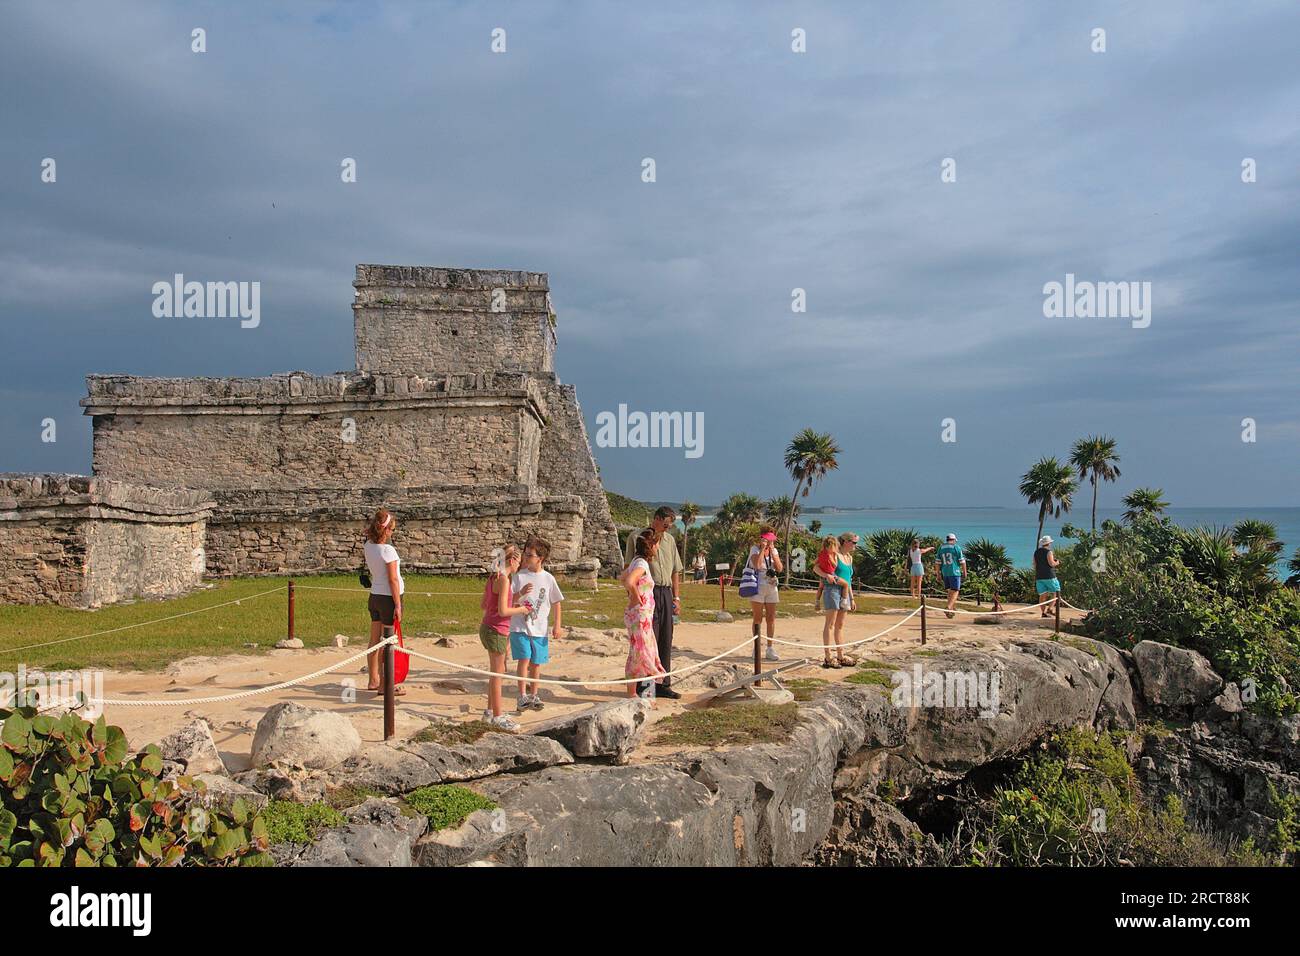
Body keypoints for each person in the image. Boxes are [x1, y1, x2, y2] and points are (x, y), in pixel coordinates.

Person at [622, 506, 684, 699]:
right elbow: (627, 570)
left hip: (665, 592)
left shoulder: (670, 540)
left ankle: (663, 683)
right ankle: (644, 685)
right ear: (656, 519)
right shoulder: (637, 538)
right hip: (648, 591)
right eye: (665, 524)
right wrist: (632, 594)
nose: (667, 529)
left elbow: (675, 570)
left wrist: (676, 597)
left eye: (670, 526)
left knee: (665, 638)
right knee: (648, 641)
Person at [479, 545, 535, 730]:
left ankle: (489, 712)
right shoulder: (503, 579)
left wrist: (518, 595)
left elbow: (486, 604)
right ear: (512, 560)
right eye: (519, 561)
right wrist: (521, 609)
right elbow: (503, 610)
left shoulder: (495, 576)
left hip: (489, 627)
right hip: (496, 630)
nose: (520, 565)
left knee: (496, 672)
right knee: (497, 674)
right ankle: (497, 716)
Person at [509, 535, 565, 712]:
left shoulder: (548, 578)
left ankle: (534, 694)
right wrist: (520, 593)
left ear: (540, 558)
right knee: (524, 659)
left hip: (540, 629)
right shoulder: (519, 577)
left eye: (530, 555)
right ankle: (522, 696)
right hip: (520, 627)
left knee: (536, 663)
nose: (525, 558)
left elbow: (556, 602)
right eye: (525, 554)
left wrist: (557, 625)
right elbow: (510, 600)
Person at [363, 508, 406, 696]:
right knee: (387, 642)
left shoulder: (368, 545)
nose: (392, 533)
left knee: (374, 640)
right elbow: (393, 579)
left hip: (375, 595)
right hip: (388, 597)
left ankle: (373, 679)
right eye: (392, 529)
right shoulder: (388, 550)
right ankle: (384, 684)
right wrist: (398, 604)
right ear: (386, 529)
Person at [621, 529, 666, 703]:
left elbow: (622, 576)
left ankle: (633, 693)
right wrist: (636, 596)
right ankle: (647, 695)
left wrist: (632, 594)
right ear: (652, 545)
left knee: (638, 651)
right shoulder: (641, 564)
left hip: (639, 615)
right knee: (645, 652)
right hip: (641, 616)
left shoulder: (635, 561)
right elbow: (629, 580)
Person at [818, 532, 858, 667]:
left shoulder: (849, 558)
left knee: (840, 626)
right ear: (845, 542)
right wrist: (826, 575)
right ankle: (828, 657)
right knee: (830, 624)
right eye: (854, 542)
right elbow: (816, 567)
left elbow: (849, 580)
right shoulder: (835, 553)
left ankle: (840, 655)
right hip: (833, 590)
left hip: (845, 592)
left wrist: (852, 599)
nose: (855, 545)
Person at [747, 526, 785, 662]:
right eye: (767, 539)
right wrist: (763, 549)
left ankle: (770, 648)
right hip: (758, 584)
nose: (769, 542)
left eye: (771, 539)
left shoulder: (774, 550)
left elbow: (780, 568)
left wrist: (773, 552)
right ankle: (756, 647)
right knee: (757, 618)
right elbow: (757, 565)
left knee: (771, 618)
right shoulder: (755, 549)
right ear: (762, 537)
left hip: (771, 585)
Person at [934, 532, 966, 619]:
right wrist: (964, 572)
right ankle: (948, 607)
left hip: (945, 572)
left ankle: (950, 609)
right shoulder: (956, 547)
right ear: (954, 540)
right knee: (956, 590)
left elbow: (937, 562)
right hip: (954, 572)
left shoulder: (941, 548)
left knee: (950, 591)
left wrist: (938, 574)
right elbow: (962, 561)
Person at [1034, 535, 1061, 618]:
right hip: (1049, 576)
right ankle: (1050, 608)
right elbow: (1051, 563)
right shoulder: (1049, 552)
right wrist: (1057, 562)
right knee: (1056, 592)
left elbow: (1035, 564)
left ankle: (1043, 612)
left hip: (1039, 576)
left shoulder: (1036, 552)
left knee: (1042, 595)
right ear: (1048, 543)